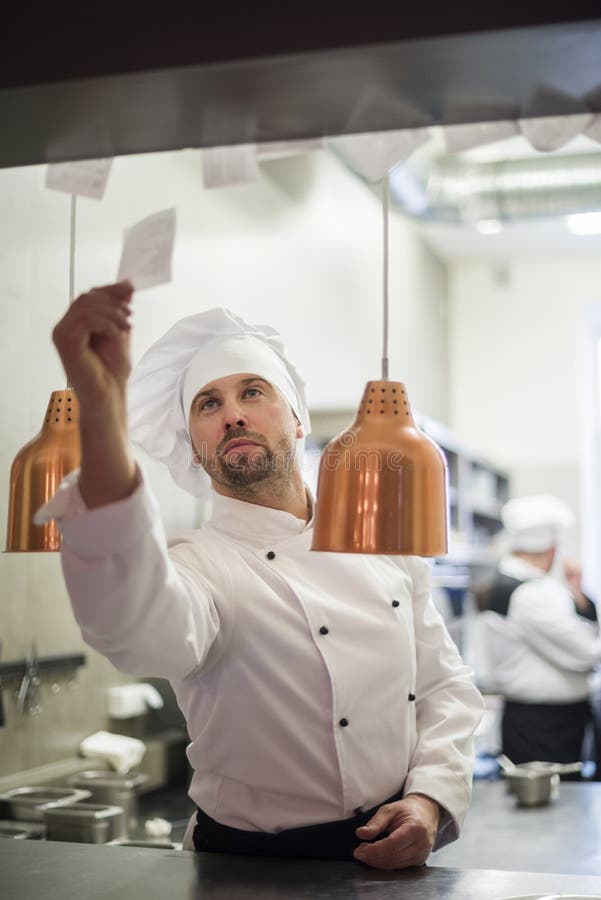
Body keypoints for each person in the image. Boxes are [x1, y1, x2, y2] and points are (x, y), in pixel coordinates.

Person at [38, 280, 483, 869]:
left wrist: (429, 799)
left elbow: (443, 686)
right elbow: (138, 632)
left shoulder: (382, 543)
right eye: (208, 404)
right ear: (195, 449)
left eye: (252, 391)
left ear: (298, 420)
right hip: (243, 868)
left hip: (390, 852)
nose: (233, 415)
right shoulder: (195, 561)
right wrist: (100, 415)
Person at [478, 494, 601, 771]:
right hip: (543, 727)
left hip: (542, 722)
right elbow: (587, 652)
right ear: (551, 550)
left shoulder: (514, 582)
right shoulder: (530, 593)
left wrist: (577, 592)